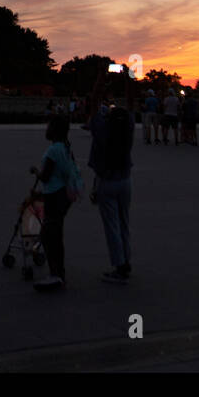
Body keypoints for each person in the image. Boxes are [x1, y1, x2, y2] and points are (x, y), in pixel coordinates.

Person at [87, 74, 133, 284]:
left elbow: (93, 105)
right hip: (125, 180)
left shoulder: (102, 130)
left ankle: (119, 266)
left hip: (106, 181)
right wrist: (128, 78)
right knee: (124, 224)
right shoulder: (127, 130)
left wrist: (99, 82)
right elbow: (131, 103)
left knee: (112, 226)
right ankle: (126, 260)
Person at [31, 115, 81, 291]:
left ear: (54, 130)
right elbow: (61, 175)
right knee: (55, 234)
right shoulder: (66, 148)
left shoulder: (53, 150)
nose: (46, 128)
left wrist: (36, 171)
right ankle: (59, 273)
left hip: (55, 196)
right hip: (63, 195)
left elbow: (46, 177)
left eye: (49, 126)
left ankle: (56, 275)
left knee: (49, 235)